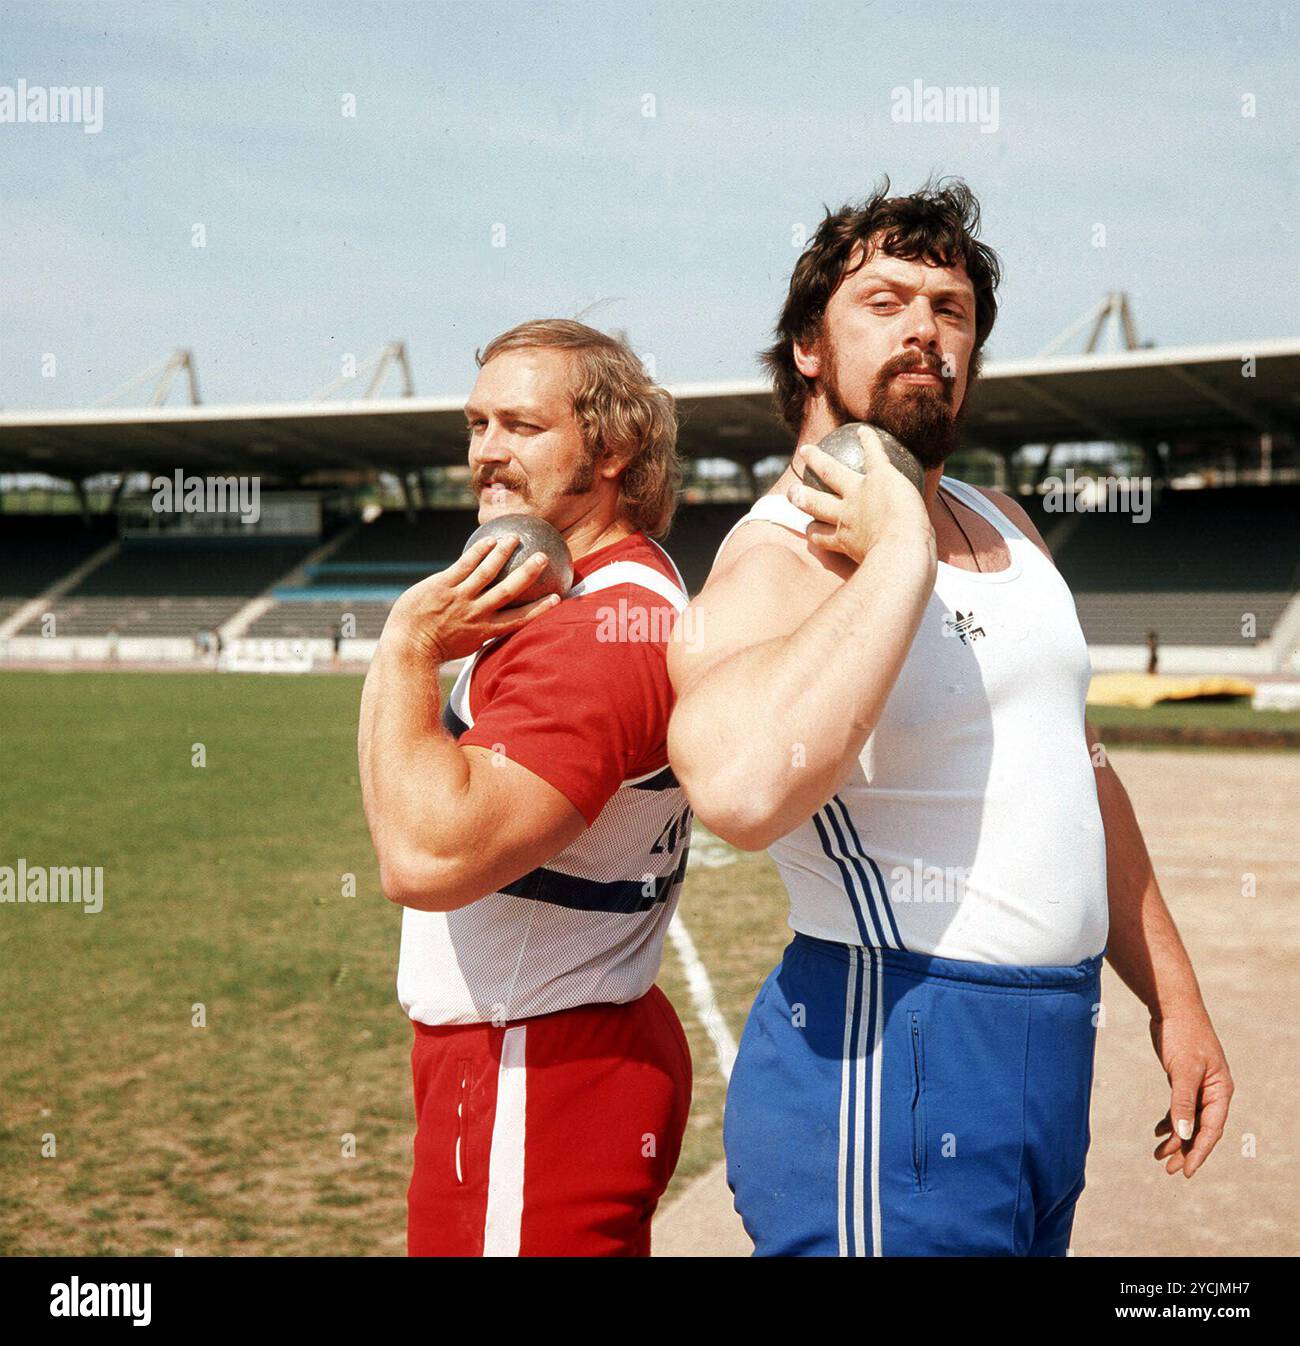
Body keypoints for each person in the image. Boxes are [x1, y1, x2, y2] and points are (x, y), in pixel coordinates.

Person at [666, 180, 1232, 1256]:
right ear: (807, 348)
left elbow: (1081, 773)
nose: (926, 326)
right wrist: (896, 551)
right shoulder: (778, 551)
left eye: (952, 308)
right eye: (884, 300)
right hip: (891, 1056)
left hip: (1048, 1058)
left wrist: (1175, 998)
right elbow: (736, 788)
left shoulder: (1002, 522)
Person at [359, 319, 693, 1256]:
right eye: (476, 425)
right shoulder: (594, 591)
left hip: (534, 1065)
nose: (486, 452)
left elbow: (428, 855)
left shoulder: (602, 629)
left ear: (615, 447)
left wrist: (407, 644)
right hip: (550, 1048)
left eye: (520, 425)